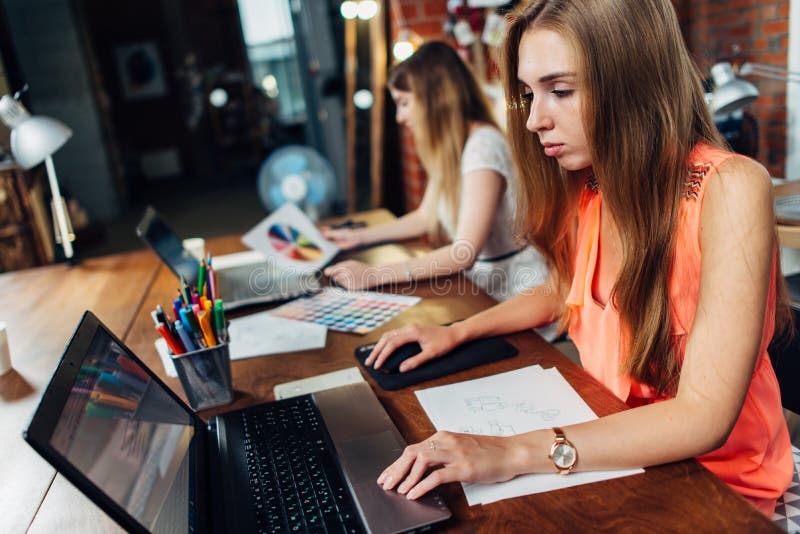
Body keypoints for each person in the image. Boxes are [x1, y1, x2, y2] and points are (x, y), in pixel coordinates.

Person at [366, 0, 795, 516]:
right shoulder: (593, 183)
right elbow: (562, 289)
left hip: (715, 486)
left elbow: (703, 416)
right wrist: (456, 333)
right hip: (615, 448)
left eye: (561, 91)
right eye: (529, 95)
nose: (534, 121)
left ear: (631, 78)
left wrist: (512, 451)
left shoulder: (730, 187)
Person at [322, 41, 555, 338]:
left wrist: (372, 274)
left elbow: (462, 253)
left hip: (516, 302)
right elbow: (424, 217)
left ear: (434, 98)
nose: (400, 117)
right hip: (481, 292)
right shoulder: (455, 147)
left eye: (405, 103)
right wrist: (356, 238)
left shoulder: (483, 146)